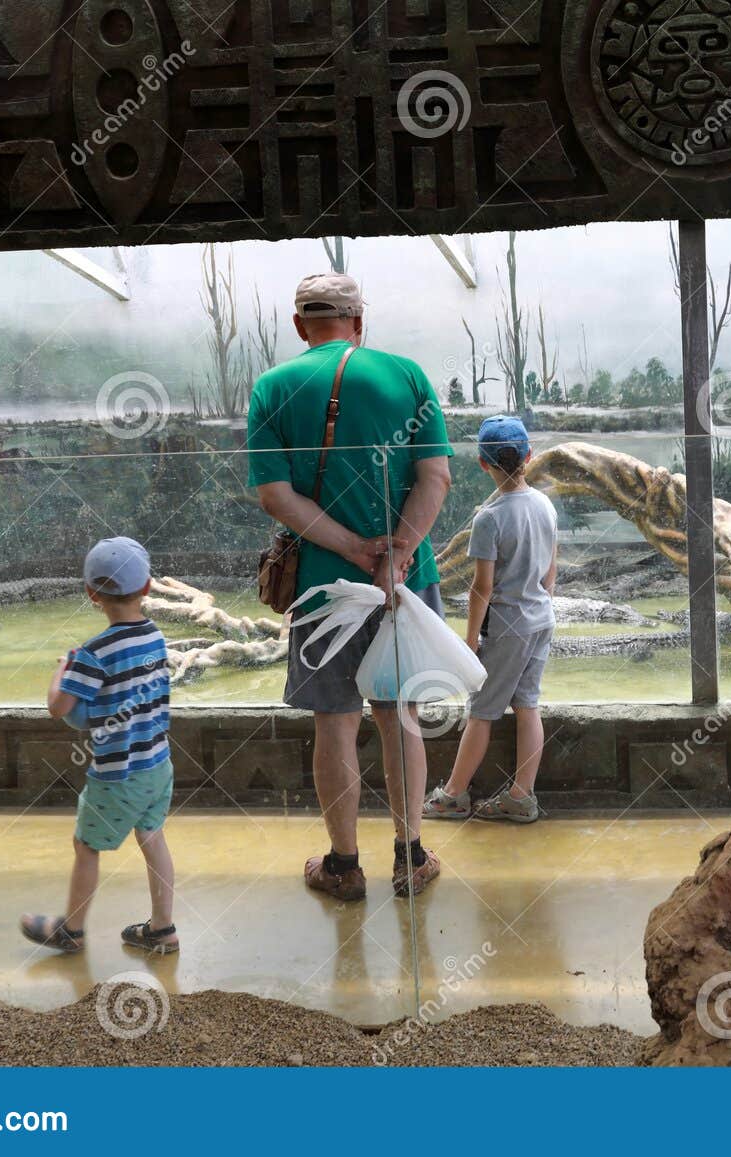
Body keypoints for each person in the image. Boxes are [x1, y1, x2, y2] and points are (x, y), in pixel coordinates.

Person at [247, 272, 453, 900]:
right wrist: (395, 556)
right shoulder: (406, 376)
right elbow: (434, 477)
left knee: (335, 725)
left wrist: (350, 549)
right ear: (359, 322)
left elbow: (275, 495)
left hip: (320, 589)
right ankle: (410, 856)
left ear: (298, 325)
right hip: (405, 586)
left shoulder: (272, 388)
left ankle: (343, 865)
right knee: (402, 720)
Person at [20, 537, 178, 953]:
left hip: (117, 775)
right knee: (153, 838)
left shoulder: (93, 654)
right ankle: (163, 929)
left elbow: (60, 708)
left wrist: (61, 669)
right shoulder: (157, 638)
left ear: (91, 594)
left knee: (87, 846)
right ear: (146, 588)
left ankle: (70, 930)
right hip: (158, 764)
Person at [424, 416, 557, 824]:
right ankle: (520, 797)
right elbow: (551, 571)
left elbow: (482, 588)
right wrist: (538, 604)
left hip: (507, 625)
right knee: (527, 705)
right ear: (529, 457)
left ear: (483, 463)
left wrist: (470, 640)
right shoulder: (544, 504)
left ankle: (454, 795)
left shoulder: (490, 517)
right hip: (540, 619)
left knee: (481, 710)